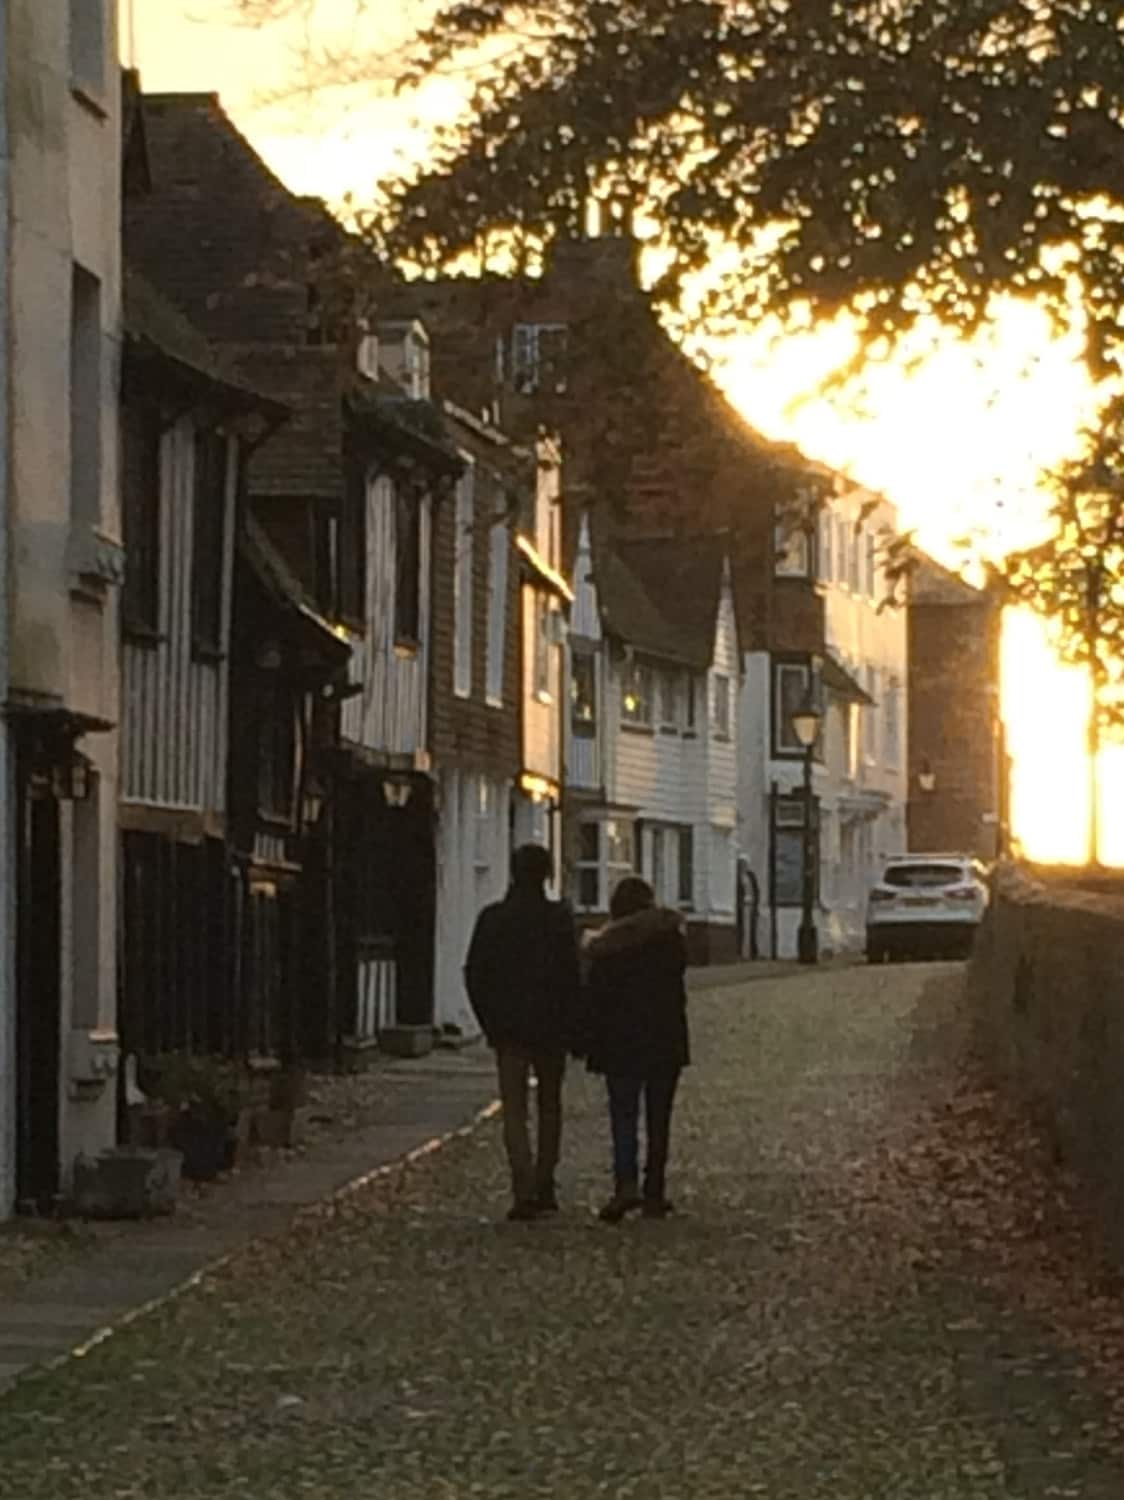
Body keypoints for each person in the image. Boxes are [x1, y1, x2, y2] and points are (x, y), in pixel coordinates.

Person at [464, 844, 581, 1221]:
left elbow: (475, 973)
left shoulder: (494, 919)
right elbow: (572, 977)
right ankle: (545, 1184)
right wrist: (574, 1025)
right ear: (546, 874)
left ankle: (523, 1187)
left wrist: (489, 1022)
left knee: (514, 1110)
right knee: (550, 1107)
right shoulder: (559, 920)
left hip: (509, 1028)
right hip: (551, 1028)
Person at [584, 875, 690, 1222]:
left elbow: (596, 998)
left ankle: (624, 1187)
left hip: (621, 1041)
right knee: (659, 1119)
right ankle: (654, 1191)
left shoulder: (608, 947)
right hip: (663, 1038)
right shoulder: (670, 938)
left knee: (624, 1116)